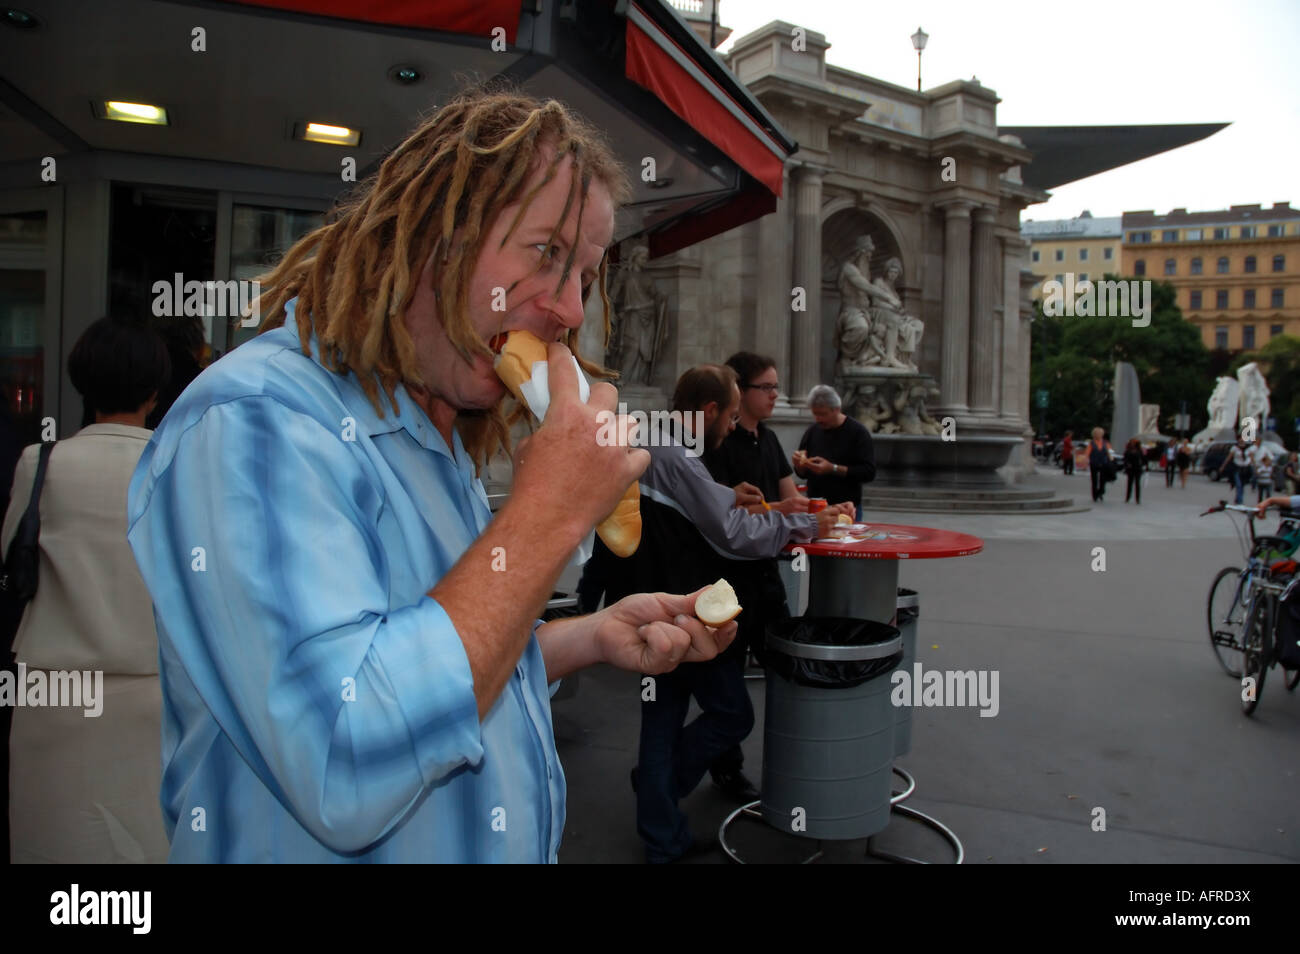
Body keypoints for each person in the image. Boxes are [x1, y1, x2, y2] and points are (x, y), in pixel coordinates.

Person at [125, 88, 737, 863]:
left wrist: (584, 639)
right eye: (548, 253)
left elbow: (423, 657)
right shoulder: (254, 422)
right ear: (434, 239)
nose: (573, 310)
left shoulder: (431, 431)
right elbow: (345, 757)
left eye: (586, 272)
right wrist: (546, 513)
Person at [601, 365, 851, 862]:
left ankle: (661, 828)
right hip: (684, 611)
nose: (733, 427)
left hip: (650, 606)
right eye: (731, 415)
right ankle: (660, 793)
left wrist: (733, 499)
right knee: (732, 713)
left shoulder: (657, 440)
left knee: (662, 721)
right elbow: (732, 537)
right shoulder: (678, 455)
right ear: (710, 411)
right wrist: (805, 524)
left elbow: (692, 507)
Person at [5, 316, 172, 863]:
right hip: (150, 697)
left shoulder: (42, 463)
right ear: (154, 392)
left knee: (53, 849)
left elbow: (13, 558)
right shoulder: (175, 467)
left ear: (84, 384)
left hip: (52, 697)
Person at [701, 351, 805, 802]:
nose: (776, 395)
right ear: (740, 392)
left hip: (765, 575)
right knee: (727, 676)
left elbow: (790, 497)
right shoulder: (718, 444)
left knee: (787, 666)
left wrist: (818, 509)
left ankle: (797, 760)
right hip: (727, 580)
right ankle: (726, 769)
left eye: (777, 387)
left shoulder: (771, 439)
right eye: (768, 387)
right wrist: (779, 510)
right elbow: (724, 511)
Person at [793, 384, 876, 521]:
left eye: (823, 414)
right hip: (816, 508)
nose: (818, 419)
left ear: (836, 409)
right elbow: (803, 474)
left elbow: (868, 472)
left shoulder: (857, 432)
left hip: (846, 508)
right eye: (815, 414)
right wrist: (800, 466)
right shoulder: (812, 431)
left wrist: (833, 468)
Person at [1217, 438, 1251, 505]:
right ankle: (1240, 501)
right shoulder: (1234, 448)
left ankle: (1237, 498)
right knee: (1238, 485)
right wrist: (1222, 466)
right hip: (1237, 468)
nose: (1241, 441)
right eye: (1240, 440)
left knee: (1242, 486)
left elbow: (1250, 458)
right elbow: (1229, 458)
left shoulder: (1248, 449)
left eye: (1243, 440)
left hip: (1244, 469)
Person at [1087, 427, 1111, 502]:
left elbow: (1110, 453)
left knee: (1102, 480)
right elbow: (1087, 453)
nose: (1098, 435)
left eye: (1100, 434)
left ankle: (1100, 492)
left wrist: (1111, 460)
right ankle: (1095, 495)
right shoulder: (1091, 443)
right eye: (1096, 434)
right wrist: (1086, 460)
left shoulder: (1106, 443)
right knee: (1094, 480)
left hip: (1104, 463)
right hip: (1094, 463)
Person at [1123, 437, 1144, 504]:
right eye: (1131, 442)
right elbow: (1125, 459)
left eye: (1133, 443)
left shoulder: (1139, 451)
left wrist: (1143, 465)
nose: (1132, 444)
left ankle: (1137, 499)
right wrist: (1127, 464)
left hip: (1137, 468)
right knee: (1129, 484)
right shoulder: (1127, 451)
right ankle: (1127, 497)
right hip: (1130, 469)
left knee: (1137, 484)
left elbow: (1143, 459)